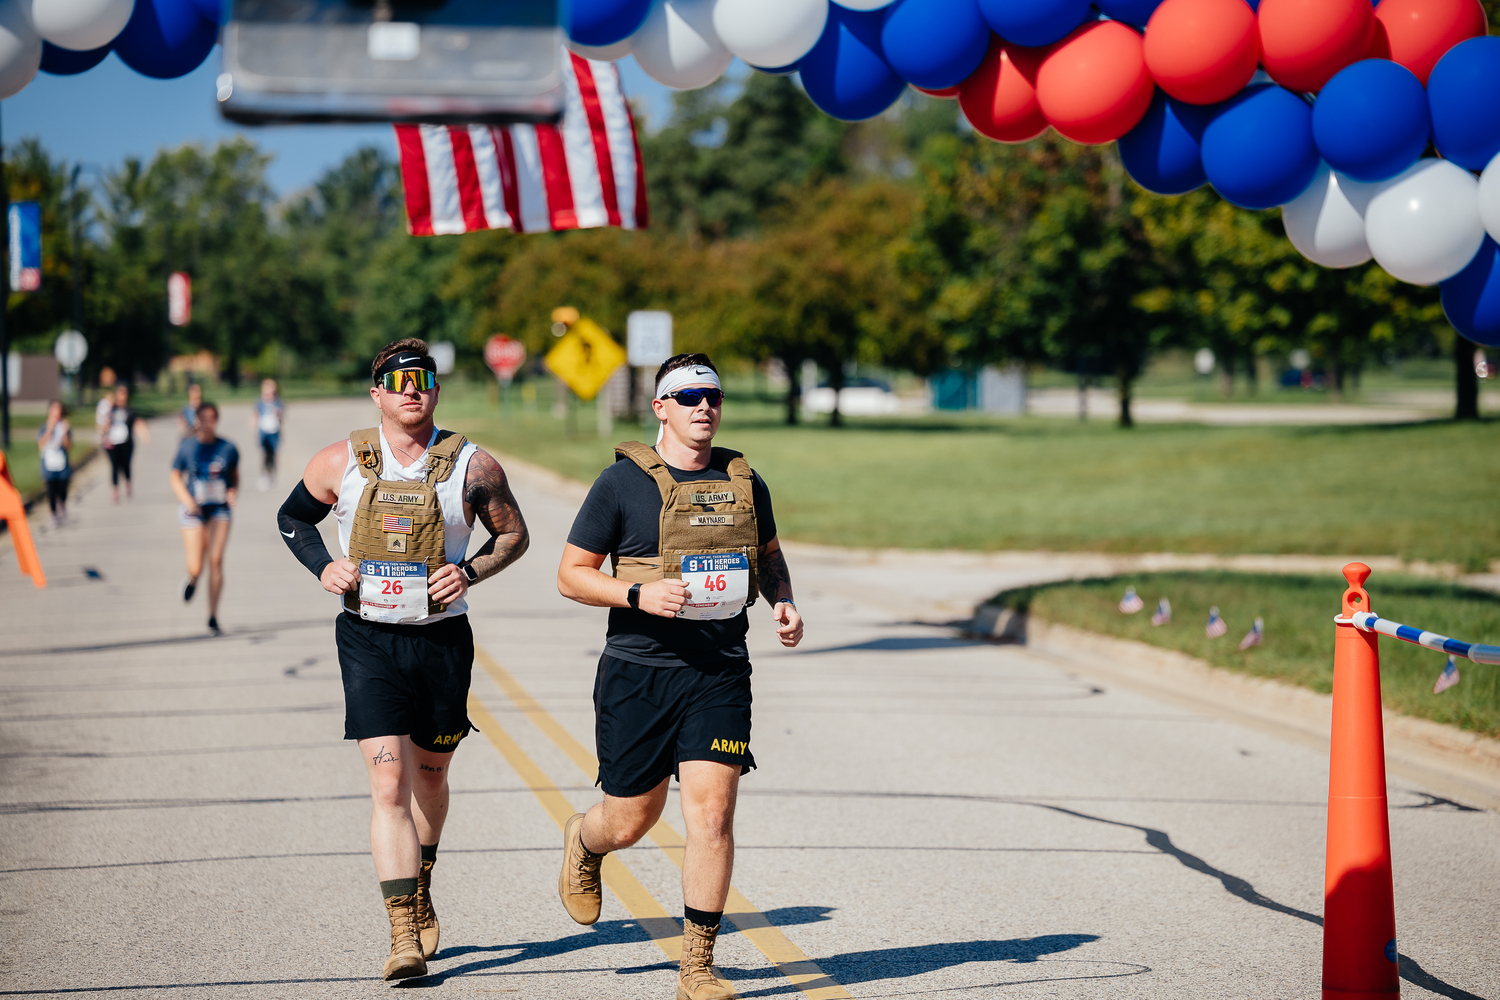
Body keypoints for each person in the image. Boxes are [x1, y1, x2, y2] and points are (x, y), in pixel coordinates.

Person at [275, 338, 529, 982]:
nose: (411, 389)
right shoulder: (341, 462)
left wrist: (468, 572)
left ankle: (422, 882)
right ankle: (402, 937)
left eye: (423, 379)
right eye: (398, 380)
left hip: (442, 640)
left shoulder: (473, 466)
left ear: (436, 390)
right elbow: (292, 520)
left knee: (431, 777)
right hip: (368, 640)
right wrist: (323, 566)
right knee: (388, 783)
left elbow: (514, 535)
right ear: (378, 393)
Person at [555, 352, 803, 1000]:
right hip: (639, 672)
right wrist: (637, 597)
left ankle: (697, 966)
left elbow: (769, 557)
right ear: (660, 407)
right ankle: (586, 840)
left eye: (713, 396)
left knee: (713, 814)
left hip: (718, 673)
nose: (704, 407)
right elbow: (571, 574)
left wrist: (783, 603)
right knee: (631, 819)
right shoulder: (621, 485)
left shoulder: (745, 483)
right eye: (688, 396)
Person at [170, 402, 238, 634]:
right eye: (203, 418)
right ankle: (192, 579)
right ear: (197, 421)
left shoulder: (228, 448)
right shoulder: (187, 447)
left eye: (212, 418)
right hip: (194, 510)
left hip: (219, 508)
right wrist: (188, 501)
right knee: (197, 566)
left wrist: (232, 492)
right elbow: (175, 476)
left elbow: (234, 476)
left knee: (216, 560)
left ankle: (213, 616)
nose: (208, 423)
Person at [100, 384, 150, 504]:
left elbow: (138, 423)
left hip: (126, 442)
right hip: (113, 443)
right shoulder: (111, 409)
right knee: (114, 466)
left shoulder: (129, 410)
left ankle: (127, 482)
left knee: (126, 464)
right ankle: (115, 490)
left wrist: (145, 437)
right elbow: (104, 425)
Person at [37, 400, 72, 526]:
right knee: (51, 491)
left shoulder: (64, 426)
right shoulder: (44, 427)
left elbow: (68, 446)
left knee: (63, 489)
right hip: (49, 464)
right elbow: (41, 444)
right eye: (54, 409)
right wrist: (50, 429)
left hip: (62, 464)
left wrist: (64, 432)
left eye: (59, 409)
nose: (57, 412)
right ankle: (53, 514)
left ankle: (61, 504)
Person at [252, 378, 285, 491]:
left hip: (274, 431)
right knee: (265, 454)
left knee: (273, 454)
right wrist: (254, 428)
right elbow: (255, 414)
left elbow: (282, 417)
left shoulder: (277, 402)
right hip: (264, 431)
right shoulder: (260, 402)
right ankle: (264, 474)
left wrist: (279, 417)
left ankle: (272, 473)